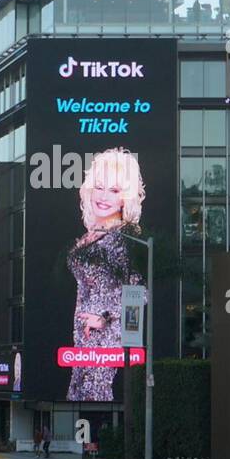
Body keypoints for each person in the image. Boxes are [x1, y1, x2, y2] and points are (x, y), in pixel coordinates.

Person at [66, 148, 146, 402]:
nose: (103, 197)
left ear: (126, 198)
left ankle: (99, 441)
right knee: (78, 392)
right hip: (82, 334)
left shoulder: (125, 238)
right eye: (99, 188)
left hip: (105, 335)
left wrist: (105, 318)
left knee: (94, 395)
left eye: (114, 191)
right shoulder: (93, 233)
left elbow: (140, 293)